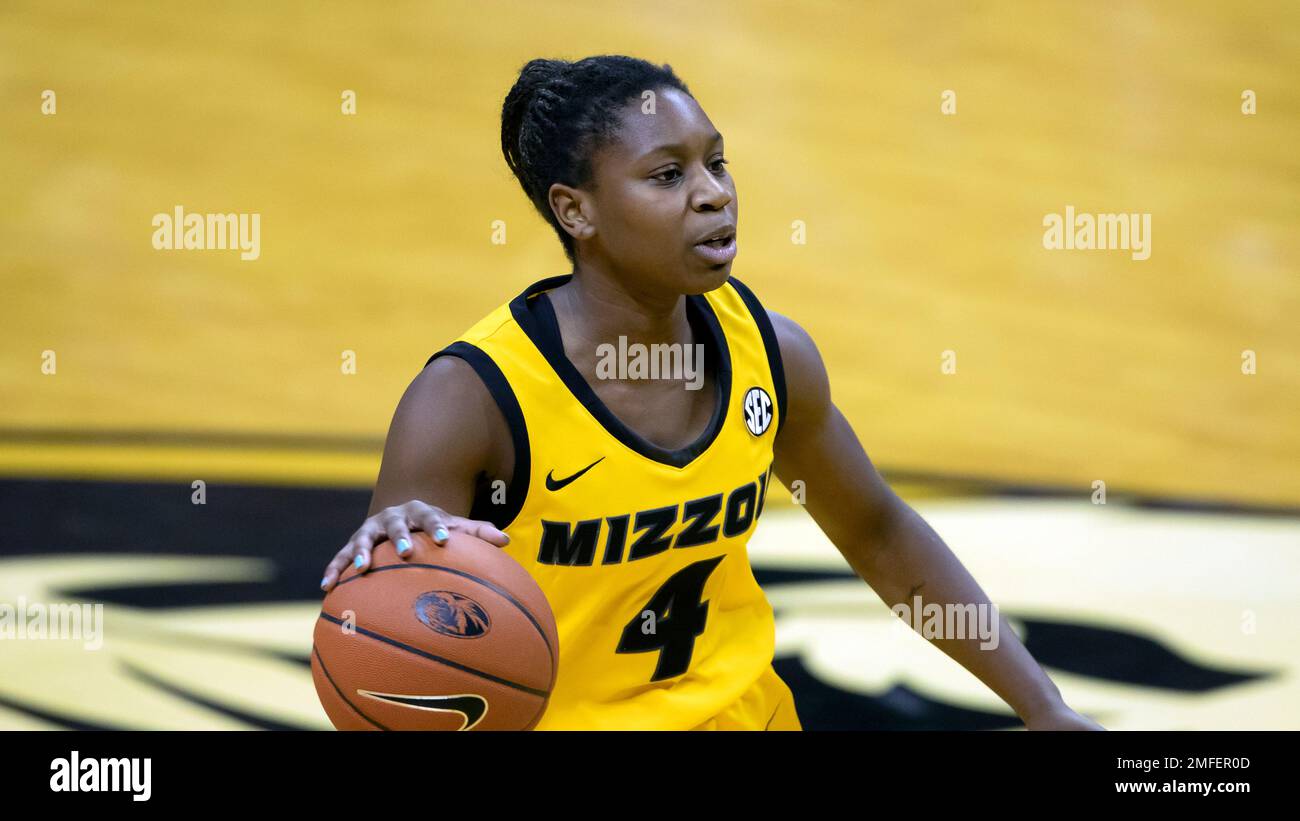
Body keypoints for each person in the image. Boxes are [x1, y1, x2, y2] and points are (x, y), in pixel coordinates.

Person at [319, 54, 1102, 731]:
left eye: (716, 163)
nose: (713, 194)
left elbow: (878, 532)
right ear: (575, 209)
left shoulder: (771, 352)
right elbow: (394, 653)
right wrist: (390, 559)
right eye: (668, 175)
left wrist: (1042, 705)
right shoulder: (470, 400)